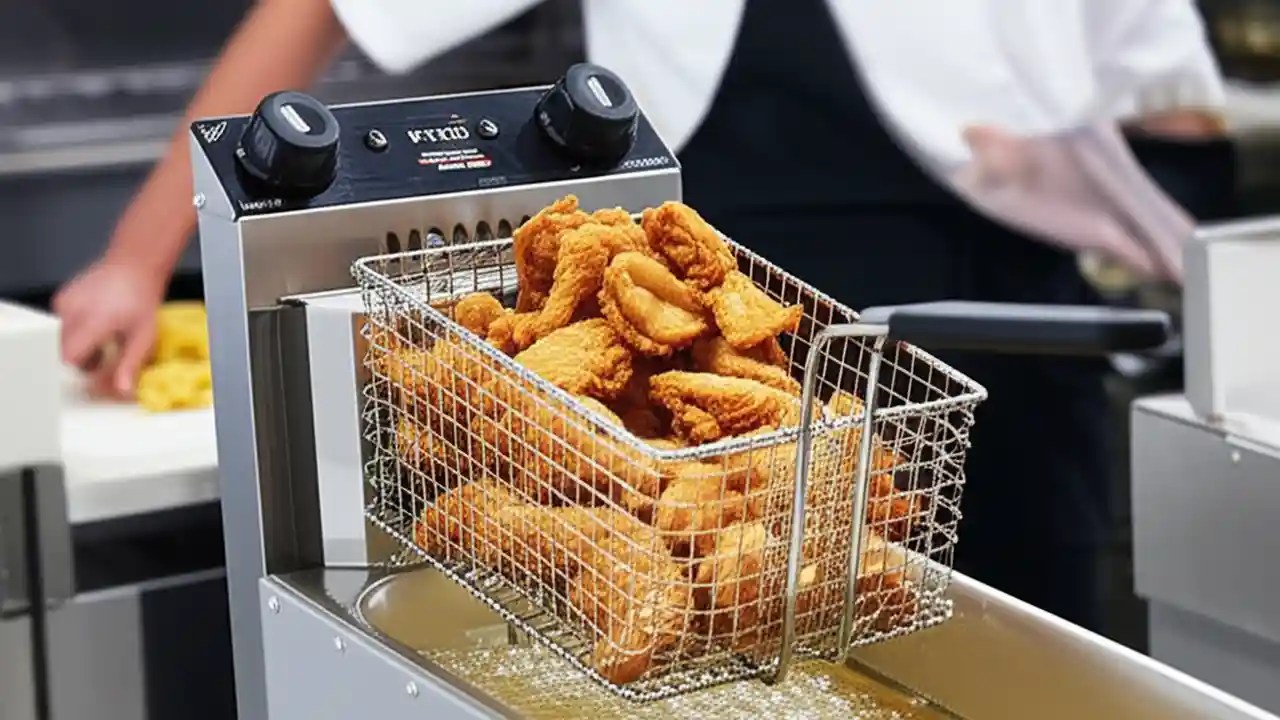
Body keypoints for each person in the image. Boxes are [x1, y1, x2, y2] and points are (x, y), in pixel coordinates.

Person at [56, 0, 1229, 632]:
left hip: (1007, 338)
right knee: (733, 664)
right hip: (695, 325)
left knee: (1009, 661)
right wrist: (135, 257)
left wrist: (1119, 203)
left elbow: (1175, 114)